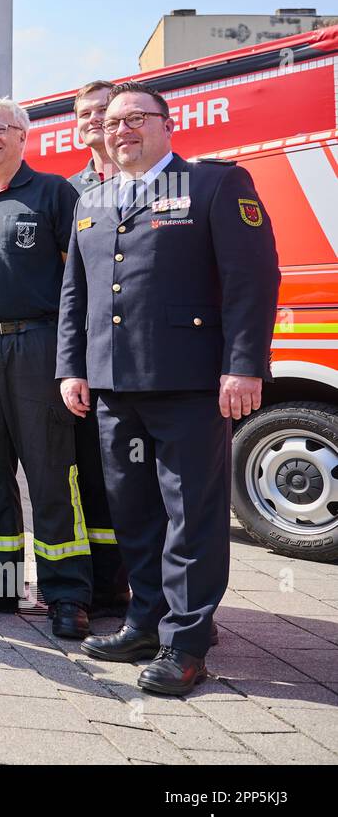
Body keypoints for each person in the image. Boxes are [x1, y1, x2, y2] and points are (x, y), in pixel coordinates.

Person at [60, 81, 279, 695]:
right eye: (111, 122)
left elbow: (253, 279)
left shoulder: (212, 185)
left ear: (167, 123)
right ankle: (144, 620)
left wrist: (245, 366)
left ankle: (187, 642)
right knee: (133, 511)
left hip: (189, 385)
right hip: (112, 385)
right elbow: (75, 294)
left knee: (192, 515)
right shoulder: (93, 200)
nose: (120, 129)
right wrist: (71, 367)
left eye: (136, 118)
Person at [0, 96, 92, 637]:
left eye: (0, 129)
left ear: (24, 137)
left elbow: (80, 282)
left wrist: (74, 357)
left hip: (38, 347)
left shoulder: (54, 193)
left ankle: (66, 593)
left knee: (52, 472)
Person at [64, 81, 129, 616]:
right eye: (85, 113)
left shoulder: (159, 180)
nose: (93, 120)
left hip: (148, 362)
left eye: (103, 111)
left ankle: (163, 595)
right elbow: (68, 285)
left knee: (148, 483)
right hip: (88, 358)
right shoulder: (73, 190)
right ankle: (105, 585)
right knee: (91, 471)